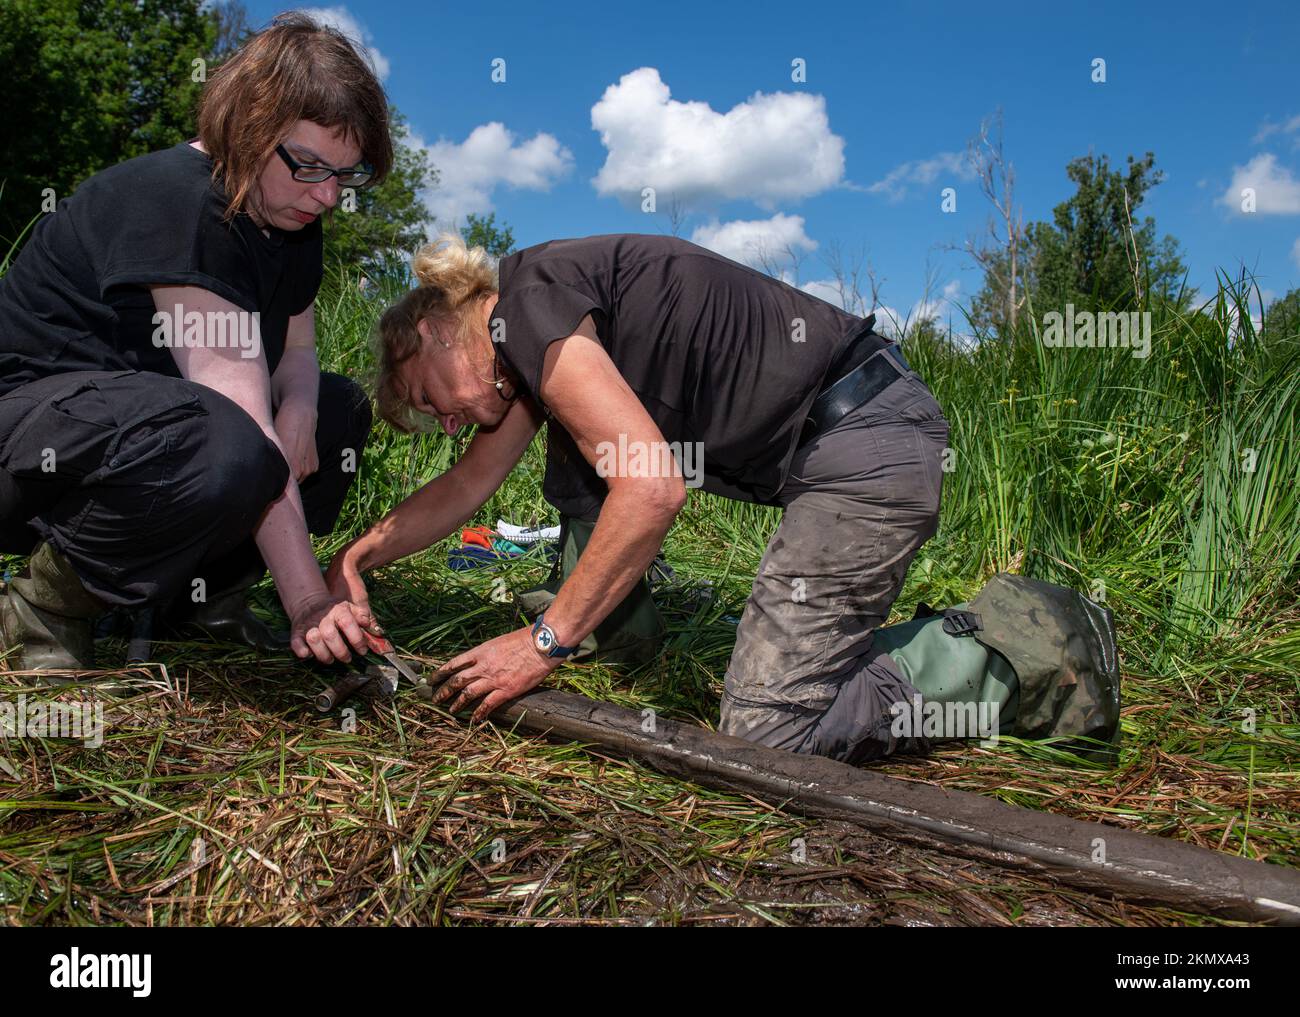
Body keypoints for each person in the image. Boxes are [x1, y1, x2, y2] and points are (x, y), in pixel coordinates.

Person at [328, 232, 950, 765]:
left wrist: (542, 643)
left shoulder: (527, 306)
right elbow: (466, 485)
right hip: (834, 447)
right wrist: (351, 560)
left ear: (434, 331)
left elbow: (651, 488)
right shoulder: (527, 338)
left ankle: (1000, 652)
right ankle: (625, 632)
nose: (446, 424)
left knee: (766, 737)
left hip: (867, 443)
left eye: (428, 399)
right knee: (578, 460)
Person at [0, 13, 390, 672]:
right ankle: (43, 610)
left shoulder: (290, 216)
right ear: (249, 126)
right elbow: (242, 420)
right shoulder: (182, 205)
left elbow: (296, 349)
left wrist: (299, 412)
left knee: (338, 409)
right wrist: (306, 601)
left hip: (138, 442)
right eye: (309, 166)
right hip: (31, 457)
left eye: (344, 177)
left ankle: (201, 607)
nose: (326, 195)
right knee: (227, 443)